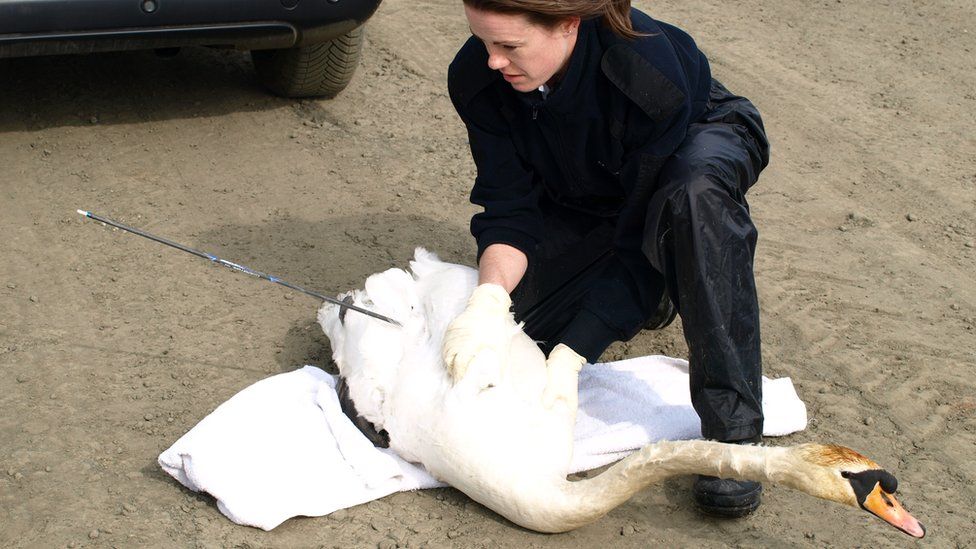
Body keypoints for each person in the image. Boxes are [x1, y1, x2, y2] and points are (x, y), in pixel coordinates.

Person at [441, 0, 770, 518]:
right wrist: (489, 301)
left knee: (691, 201)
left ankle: (733, 436)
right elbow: (510, 210)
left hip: (692, 145)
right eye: (483, 42)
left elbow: (635, 232)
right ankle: (660, 287)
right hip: (587, 183)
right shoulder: (476, 80)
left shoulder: (646, 76)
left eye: (509, 46)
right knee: (515, 341)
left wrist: (576, 354)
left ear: (569, 25)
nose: (492, 62)